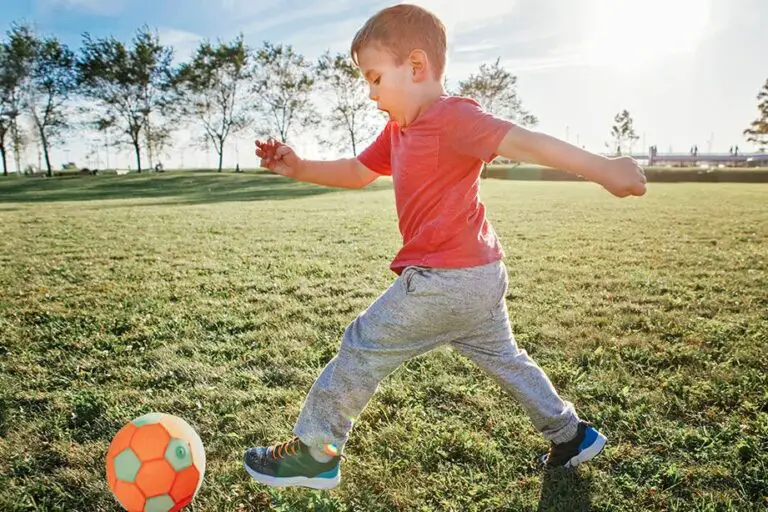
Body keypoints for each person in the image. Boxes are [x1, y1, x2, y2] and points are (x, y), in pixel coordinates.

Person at [244, 3, 647, 490]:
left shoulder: (455, 117)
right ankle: (571, 434)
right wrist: (299, 165)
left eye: (375, 78)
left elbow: (529, 144)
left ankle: (314, 453)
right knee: (506, 359)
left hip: (445, 280)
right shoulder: (399, 129)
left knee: (361, 346)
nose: (371, 94)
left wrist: (606, 169)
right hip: (479, 275)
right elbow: (355, 171)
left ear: (416, 66)